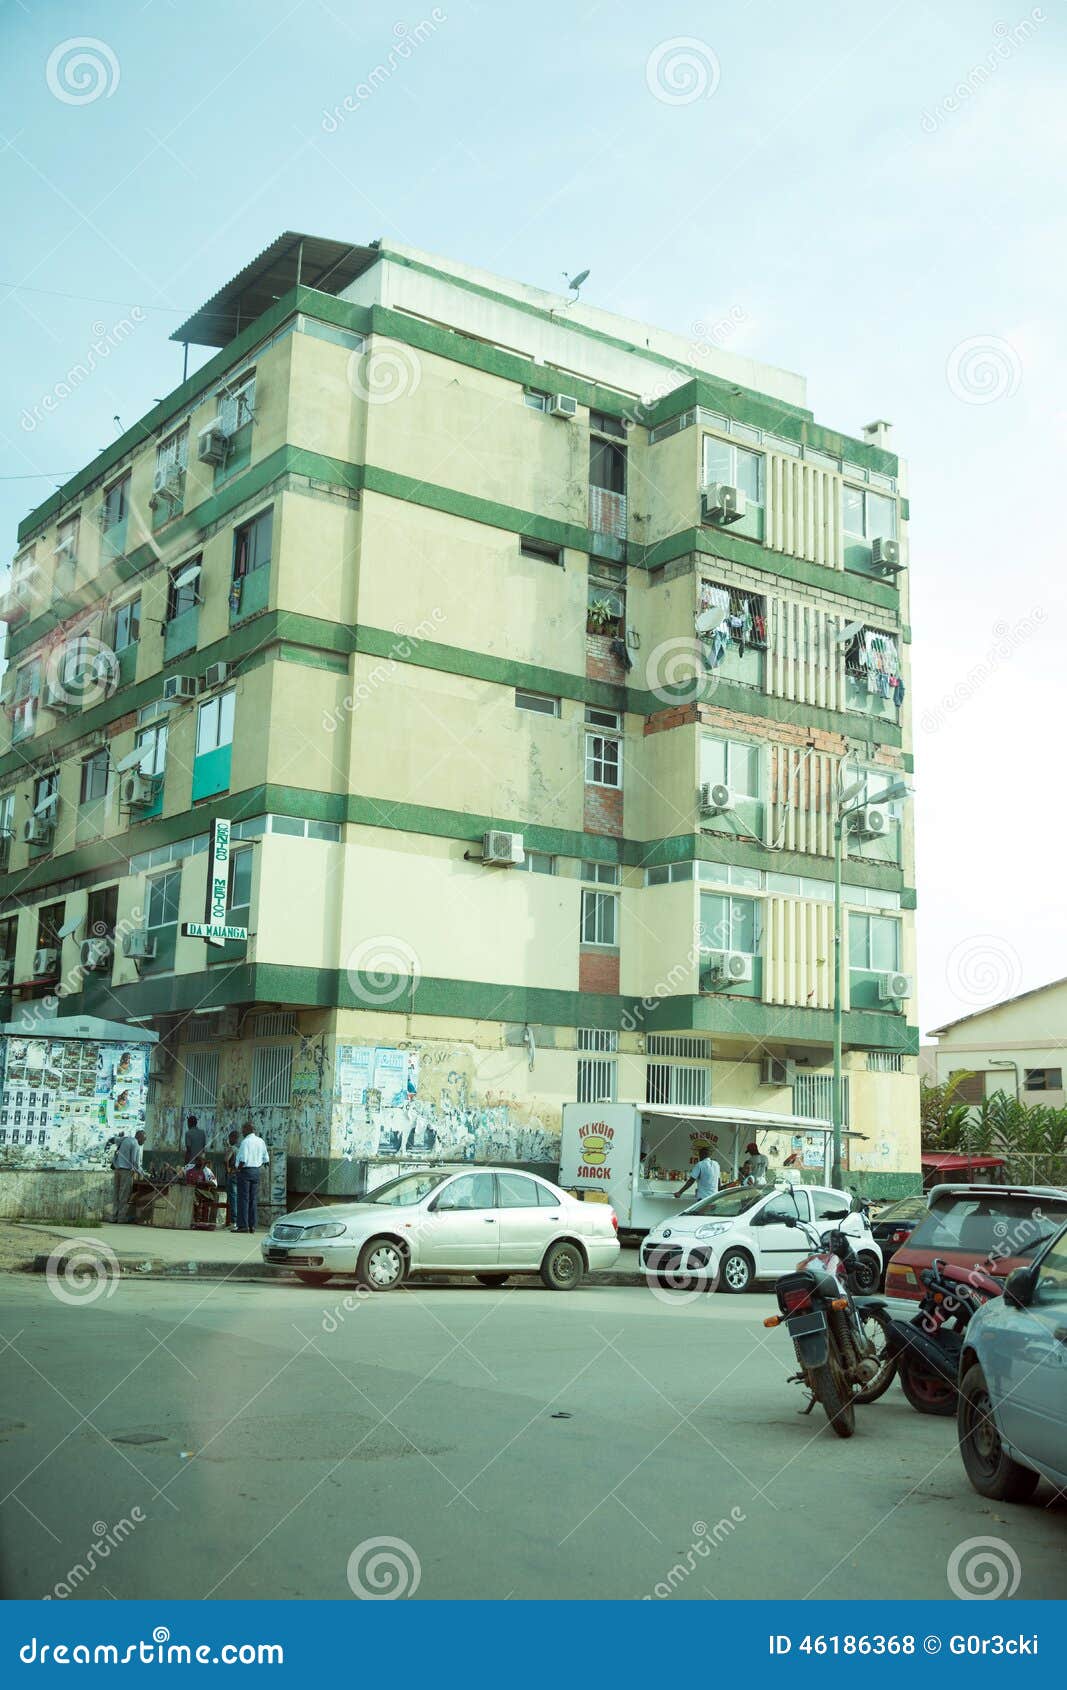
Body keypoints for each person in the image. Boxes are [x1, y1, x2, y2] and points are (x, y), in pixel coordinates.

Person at [234, 1122, 270, 1233]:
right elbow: (266, 1160)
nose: (242, 1132)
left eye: (243, 1129)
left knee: (243, 1199)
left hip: (245, 1171)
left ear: (248, 1129)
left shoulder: (246, 1142)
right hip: (256, 1172)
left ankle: (243, 1226)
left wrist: (238, 1169)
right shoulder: (261, 1141)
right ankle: (252, 1226)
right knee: (253, 1199)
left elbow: (243, 1159)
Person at [111, 1129, 146, 1223]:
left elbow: (114, 1139)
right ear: (139, 1137)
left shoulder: (125, 1139)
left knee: (116, 1194)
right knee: (124, 1195)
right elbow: (135, 1162)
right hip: (126, 1171)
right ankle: (121, 1218)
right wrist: (143, 1174)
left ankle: (114, 1217)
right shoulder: (135, 1144)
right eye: (144, 1139)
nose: (144, 1141)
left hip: (117, 1169)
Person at [224, 1130, 240, 1233]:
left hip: (232, 1174)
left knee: (232, 1198)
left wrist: (227, 1170)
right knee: (237, 1198)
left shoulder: (232, 1148)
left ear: (233, 1138)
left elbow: (226, 1159)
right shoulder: (240, 1149)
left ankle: (233, 1221)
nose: (229, 1140)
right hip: (239, 1174)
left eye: (230, 1138)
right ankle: (236, 1221)